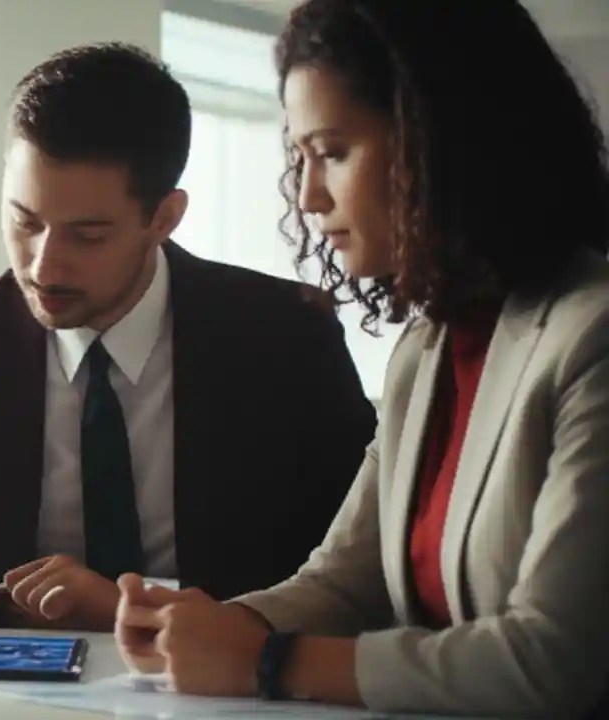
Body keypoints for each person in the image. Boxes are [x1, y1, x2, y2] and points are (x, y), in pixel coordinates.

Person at [0, 43, 376, 650]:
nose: (44, 264)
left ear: (165, 218)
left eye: (88, 235)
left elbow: (367, 578)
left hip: (231, 692)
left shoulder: (285, 335)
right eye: (25, 221)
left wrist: (134, 609)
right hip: (9, 702)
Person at [114, 1, 609, 717]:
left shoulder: (591, 336)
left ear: (440, 141)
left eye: (334, 152)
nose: (310, 197)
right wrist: (209, 630)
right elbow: (346, 582)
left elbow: (552, 662)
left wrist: (264, 660)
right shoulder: (429, 345)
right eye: (301, 157)